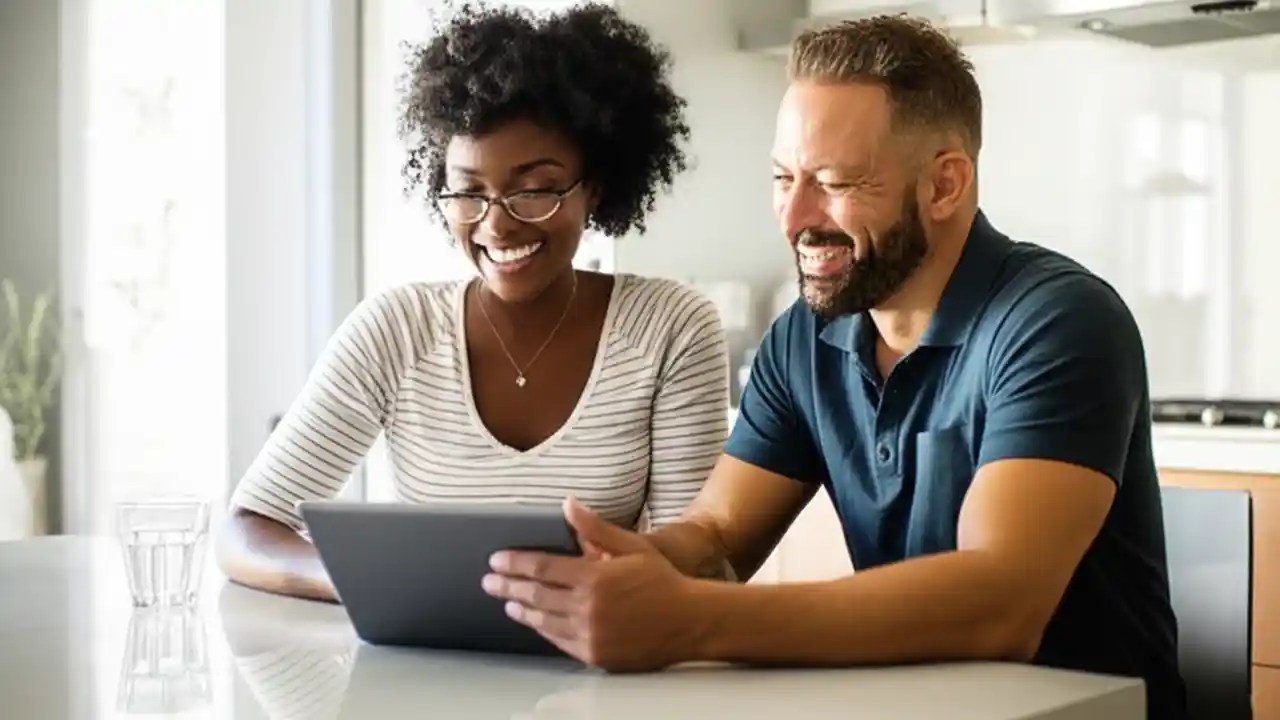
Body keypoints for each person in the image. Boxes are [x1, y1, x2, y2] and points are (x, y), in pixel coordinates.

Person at [482, 14, 1186, 719]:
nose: (793, 218)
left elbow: (1002, 605)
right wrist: (620, 574)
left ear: (945, 185)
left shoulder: (1056, 321)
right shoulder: (805, 339)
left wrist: (692, 619)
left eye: (835, 182)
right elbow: (719, 535)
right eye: (784, 178)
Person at [217, 3, 730, 603]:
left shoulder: (671, 328)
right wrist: (372, 582)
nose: (496, 226)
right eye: (468, 192)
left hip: (598, 671)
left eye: (533, 190)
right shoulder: (396, 329)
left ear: (594, 187)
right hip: (424, 668)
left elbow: (691, 561)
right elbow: (246, 530)